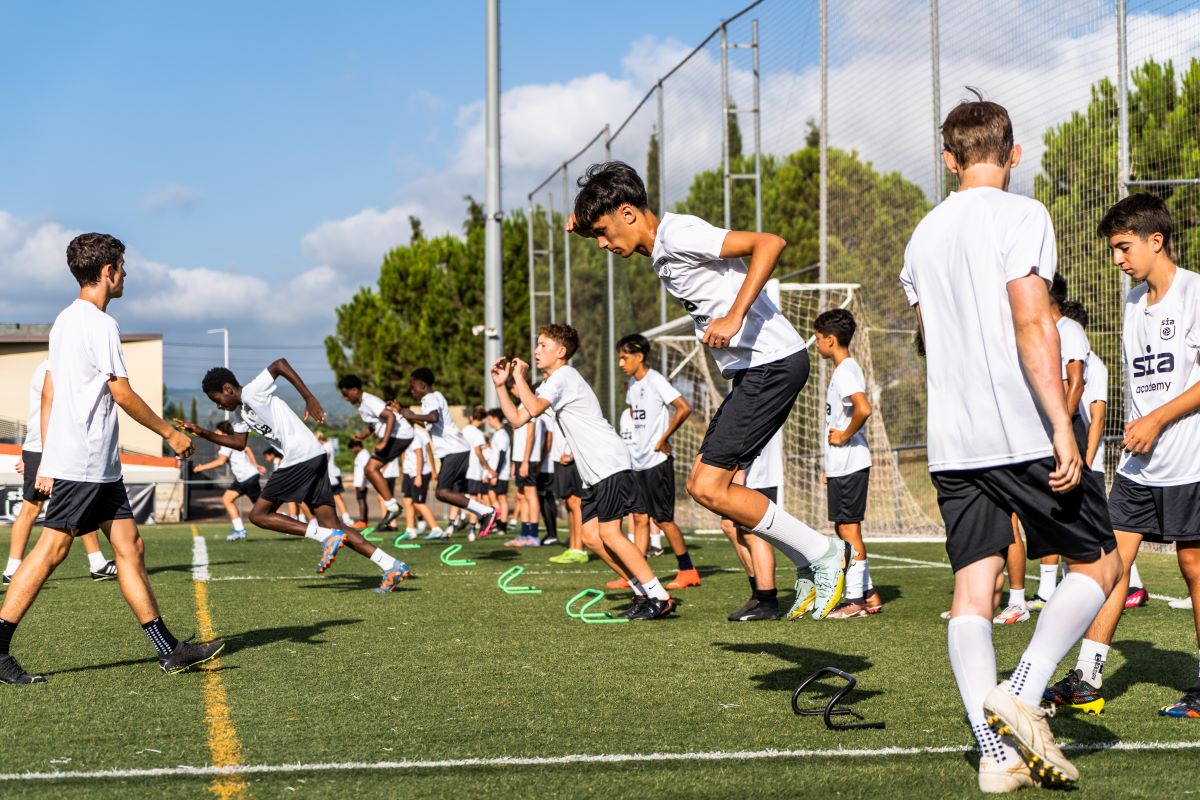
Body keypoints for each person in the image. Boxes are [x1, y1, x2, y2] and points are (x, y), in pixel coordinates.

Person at [900, 93, 1120, 790]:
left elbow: (928, 338)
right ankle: (1023, 690)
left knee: (974, 591)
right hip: (1020, 430)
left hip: (952, 441)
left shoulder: (922, 236)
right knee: (1101, 564)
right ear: (1014, 153)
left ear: (949, 160)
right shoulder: (1025, 214)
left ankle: (996, 761)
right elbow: (1033, 322)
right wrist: (1060, 423)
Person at [570, 161, 848, 620]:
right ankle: (806, 560)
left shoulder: (678, 234)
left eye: (602, 232)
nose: (601, 243)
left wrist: (735, 315)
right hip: (753, 372)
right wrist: (583, 224)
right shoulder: (658, 247)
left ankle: (823, 553)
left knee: (707, 486)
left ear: (628, 213)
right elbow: (612, 229)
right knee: (713, 486)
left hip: (771, 363)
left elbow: (769, 243)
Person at [0, 232, 222, 685]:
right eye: (121, 266)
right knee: (51, 551)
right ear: (107, 271)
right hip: (83, 462)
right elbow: (121, 392)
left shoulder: (64, 321)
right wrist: (168, 433)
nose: (125, 274)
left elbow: (54, 391)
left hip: (99, 465)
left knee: (130, 547)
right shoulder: (101, 325)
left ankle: (168, 650)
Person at [1045, 193, 1200, 720]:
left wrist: (1157, 421)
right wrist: (1140, 426)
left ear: (1157, 240)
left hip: (1189, 461)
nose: (1117, 259)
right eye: (1113, 249)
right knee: (1109, 563)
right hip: (1138, 468)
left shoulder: (1194, 293)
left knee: (1193, 566)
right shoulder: (1132, 302)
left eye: (1124, 247)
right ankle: (1086, 677)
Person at [493, 325, 677, 619]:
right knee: (591, 537)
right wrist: (501, 386)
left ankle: (660, 596)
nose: (536, 350)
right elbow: (517, 419)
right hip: (593, 471)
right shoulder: (551, 382)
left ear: (561, 351)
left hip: (608, 462)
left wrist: (518, 376)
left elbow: (535, 408)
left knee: (610, 533)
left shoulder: (564, 376)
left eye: (543, 345)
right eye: (537, 345)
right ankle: (642, 591)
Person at [182, 360, 411, 593]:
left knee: (259, 515)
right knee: (333, 524)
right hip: (313, 456)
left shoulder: (252, 391)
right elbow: (239, 443)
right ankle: (391, 565)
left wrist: (309, 398)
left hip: (300, 456)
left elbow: (280, 365)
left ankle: (325, 536)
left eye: (217, 399)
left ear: (227, 389)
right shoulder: (239, 415)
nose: (218, 405)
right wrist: (202, 433)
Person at [5, 359, 118, 584]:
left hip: (48, 448)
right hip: (47, 449)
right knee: (31, 509)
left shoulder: (54, 365)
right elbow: (51, 410)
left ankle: (97, 563)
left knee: (79, 506)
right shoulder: (55, 367)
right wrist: (34, 454)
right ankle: (12, 569)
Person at [615, 333, 699, 590]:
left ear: (639, 356)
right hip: (638, 463)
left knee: (662, 519)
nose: (620, 363)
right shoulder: (632, 385)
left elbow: (684, 407)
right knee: (639, 518)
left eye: (624, 358)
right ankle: (637, 575)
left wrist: (664, 437)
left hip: (657, 462)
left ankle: (688, 571)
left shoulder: (656, 380)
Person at [813, 308, 879, 619]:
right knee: (843, 528)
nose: (816, 344)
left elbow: (863, 408)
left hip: (852, 461)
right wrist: (830, 466)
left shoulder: (846, 370)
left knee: (849, 528)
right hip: (840, 465)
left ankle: (855, 601)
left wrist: (844, 435)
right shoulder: (841, 371)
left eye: (817, 338)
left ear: (830, 340)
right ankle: (868, 593)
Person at [401, 369, 499, 538]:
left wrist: (412, 415)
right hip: (454, 452)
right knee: (445, 493)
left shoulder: (430, 398)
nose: (412, 391)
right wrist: (410, 416)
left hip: (455, 451)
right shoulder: (433, 398)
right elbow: (431, 423)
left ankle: (486, 511)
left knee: (442, 492)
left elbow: (433, 417)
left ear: (422, 385)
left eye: (413, 386)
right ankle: (482, 513)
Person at [338, 375, 412, 531]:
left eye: (346, 394)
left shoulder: (369, 401)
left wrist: (384, 441)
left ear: (354, 390)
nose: (345, 398)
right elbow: (374, 425)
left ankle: (392, 506)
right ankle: (392, 506)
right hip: (398, 436)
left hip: (400, 436)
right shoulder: (363, 405)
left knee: (370, 469)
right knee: (370, 469)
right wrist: (362, 436)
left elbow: (390, 416)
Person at [723, 430, 784, 621]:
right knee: (729, 526)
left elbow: (749, 430)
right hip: (744, 474)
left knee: (755, 534)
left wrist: (740, 470)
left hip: (756, 475)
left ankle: (767, 601)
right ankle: (758, 593)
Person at [191, 421, 268, 541]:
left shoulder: (226, 443)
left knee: (262, 508)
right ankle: (239, 530)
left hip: (247, 478)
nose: (215, 434)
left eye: (217, 432)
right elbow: (247, 449)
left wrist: (202, 468)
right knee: (227, 499)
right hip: (244, 478)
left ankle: (286, 520)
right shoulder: (233, 441)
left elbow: (220, 462)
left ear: (223, 433)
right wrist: (255, 465)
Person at [507, 403, 543, 547]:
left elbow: (530, 434)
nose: (512, 392)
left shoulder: (530, 405)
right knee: (521, 496)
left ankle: (533, 535)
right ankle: (525, 534)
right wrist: (514, 462)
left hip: (527, 459)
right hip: (519, 458)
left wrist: (525, 461)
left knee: (530, 495)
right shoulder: (520, 405)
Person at [400, 424, 440, 541]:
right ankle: (410, 530)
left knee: (418, 503)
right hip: (409, 472)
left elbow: (420, 456)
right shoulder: (403, 435)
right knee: (407, 501)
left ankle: (436, 529)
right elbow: (403, 453)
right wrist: (403, 471)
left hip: (419, 473)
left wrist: (419, 475)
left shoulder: (416, 435)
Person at [485, 409, 511, 530]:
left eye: (489, 419)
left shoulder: (502, 434)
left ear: (495, 419)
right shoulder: (498, 434)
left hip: (501, 473)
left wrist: (496, 474)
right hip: (496, 473)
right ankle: (498, 522)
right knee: (494, 497)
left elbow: (502, 455)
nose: (488, 422)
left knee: (501, 498)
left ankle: (502, 524)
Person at [349, 438, 370, 527]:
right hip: (359, 482)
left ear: (357, 446)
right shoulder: (360, 454)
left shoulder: (364, 454)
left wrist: (363, 483)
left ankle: (363, 521)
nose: (352, 450)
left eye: (353, 448)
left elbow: (366, 469)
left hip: (362, 483)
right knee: (361, 500)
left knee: (361, 500)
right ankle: (364, 521)